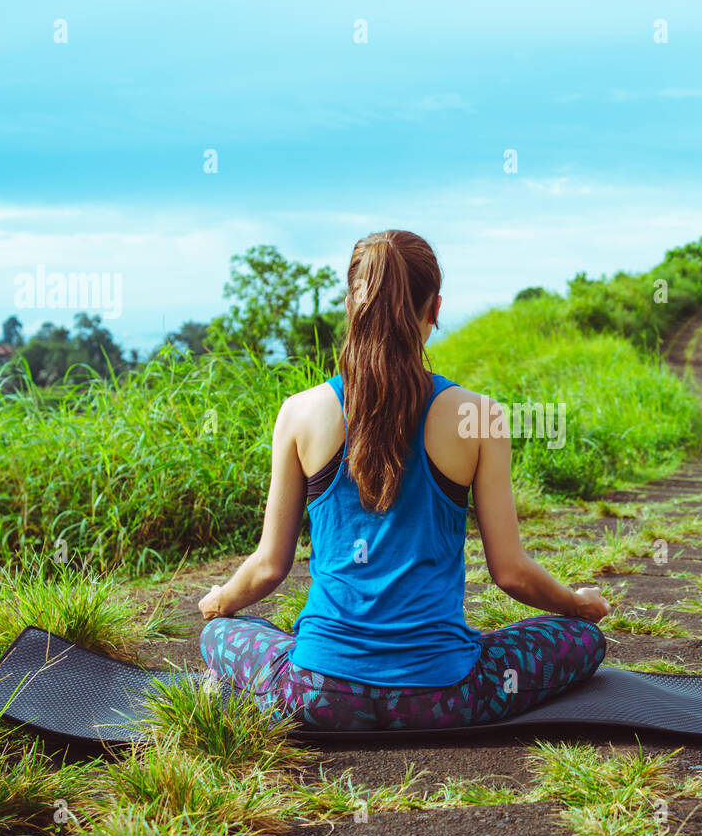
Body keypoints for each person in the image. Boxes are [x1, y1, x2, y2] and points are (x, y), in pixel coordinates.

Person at [197, 229, 610, 731]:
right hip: (442, 697)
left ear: (352, 304)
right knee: (584, 639)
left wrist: (219, 602)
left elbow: (267, 567)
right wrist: (577, 605)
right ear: (434, 308)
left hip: (319, 696)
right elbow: (512, 573)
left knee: (219, 635)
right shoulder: (478, 417)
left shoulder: (299, 413)